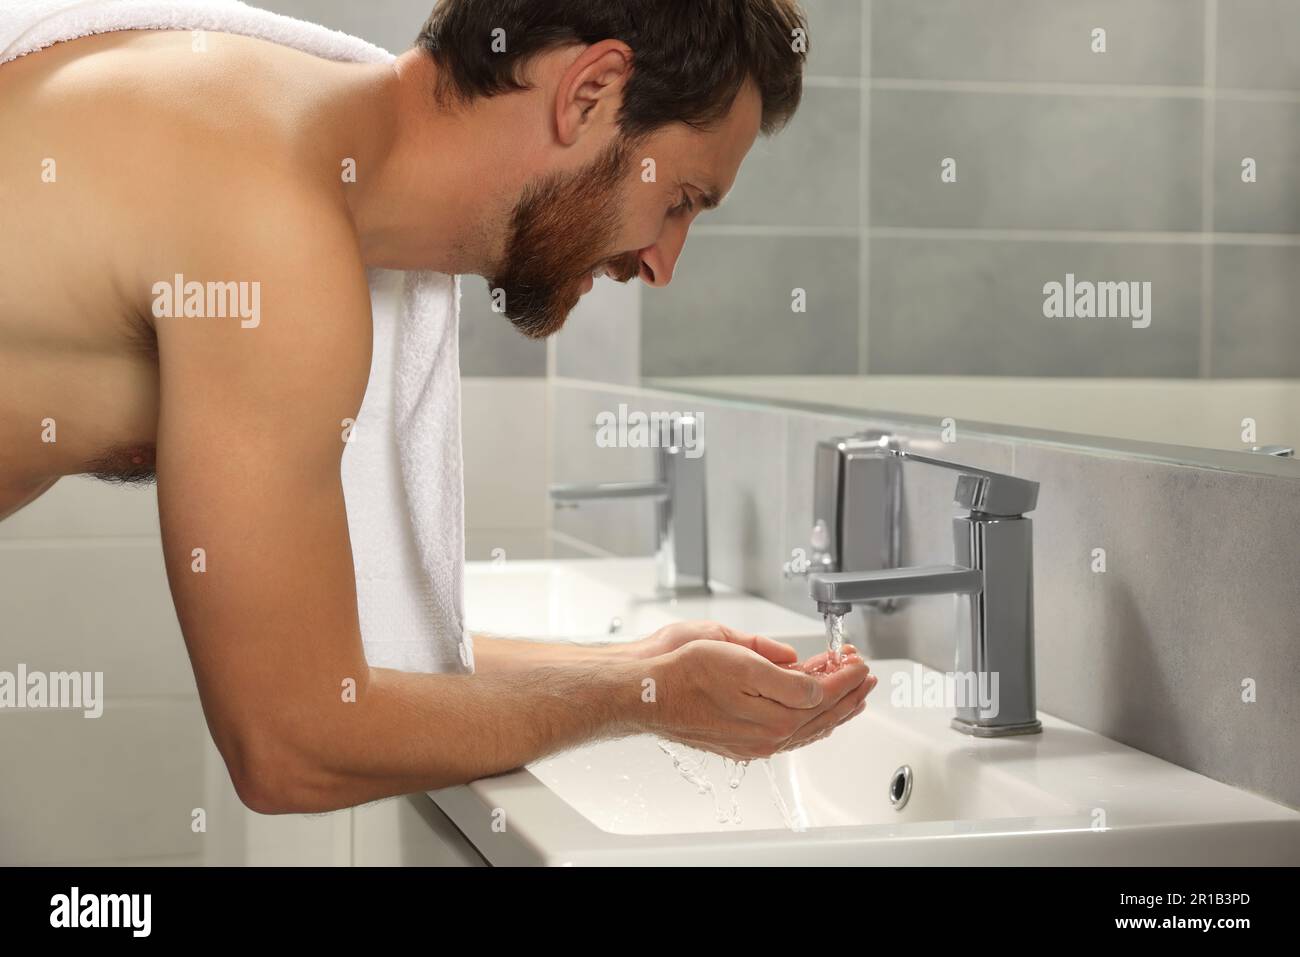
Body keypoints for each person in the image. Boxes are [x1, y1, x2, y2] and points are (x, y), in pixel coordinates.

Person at [0, 0, 875, 813]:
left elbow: (338, 654)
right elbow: (289, 740)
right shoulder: (274, 223)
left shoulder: (273, 128)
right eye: (680, 200)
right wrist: (645, 699)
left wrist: (643, 663)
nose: (662, 263)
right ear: (593, 90)